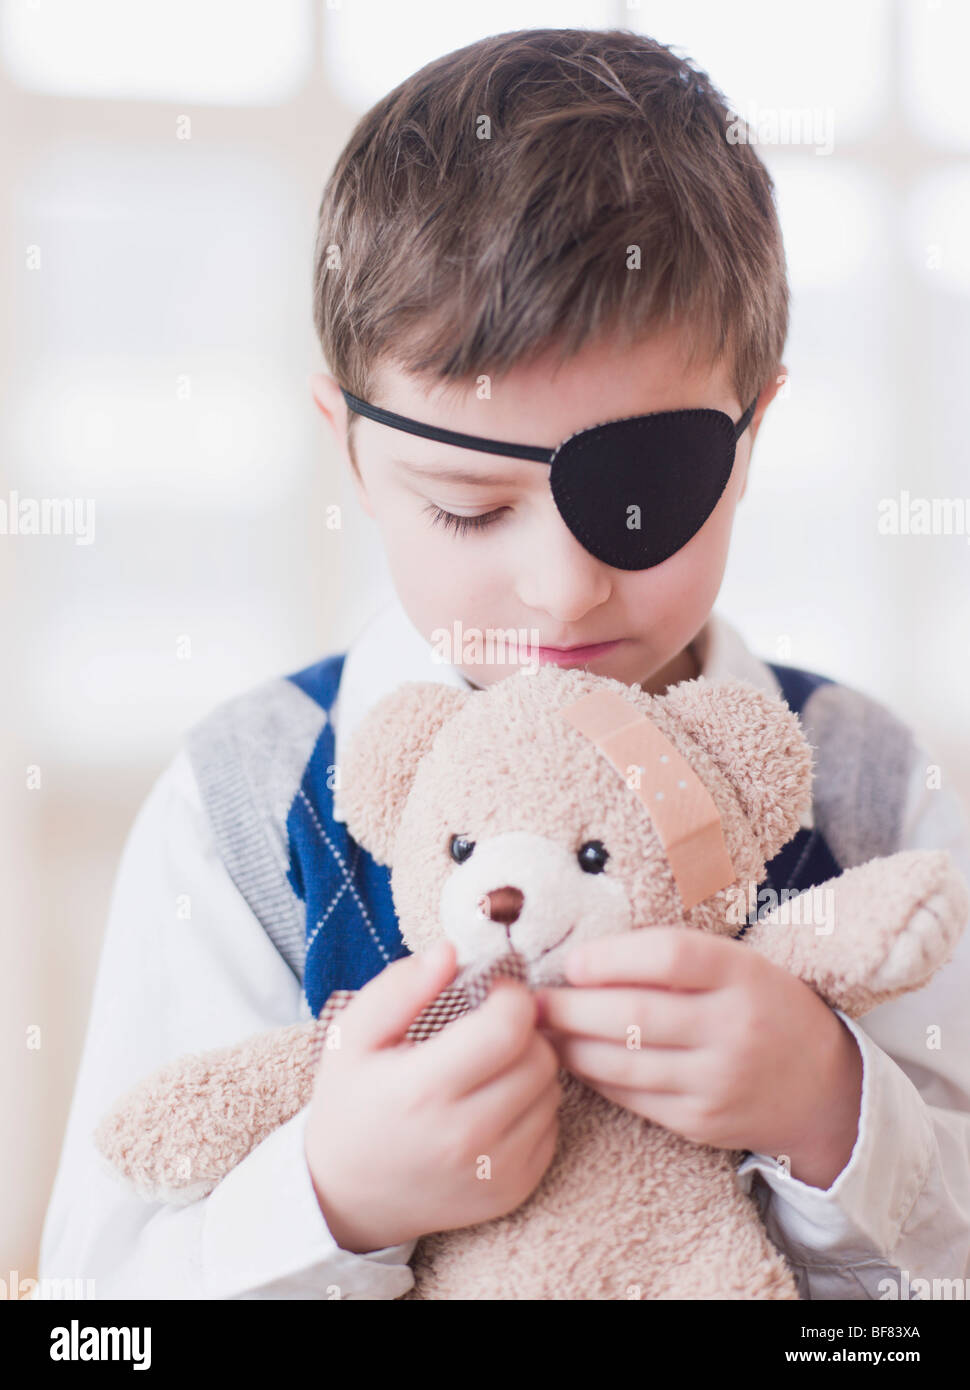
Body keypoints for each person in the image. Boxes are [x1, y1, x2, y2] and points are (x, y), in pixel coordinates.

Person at [38, 27, 970, 1301]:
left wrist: (833, 1117)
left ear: (750, 438)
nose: (564, 585)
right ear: (352, 450)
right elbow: (104, 1316)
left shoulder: (866, 794)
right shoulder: (244, 814)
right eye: (471, 509)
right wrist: (335, 1195)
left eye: (639, 505)